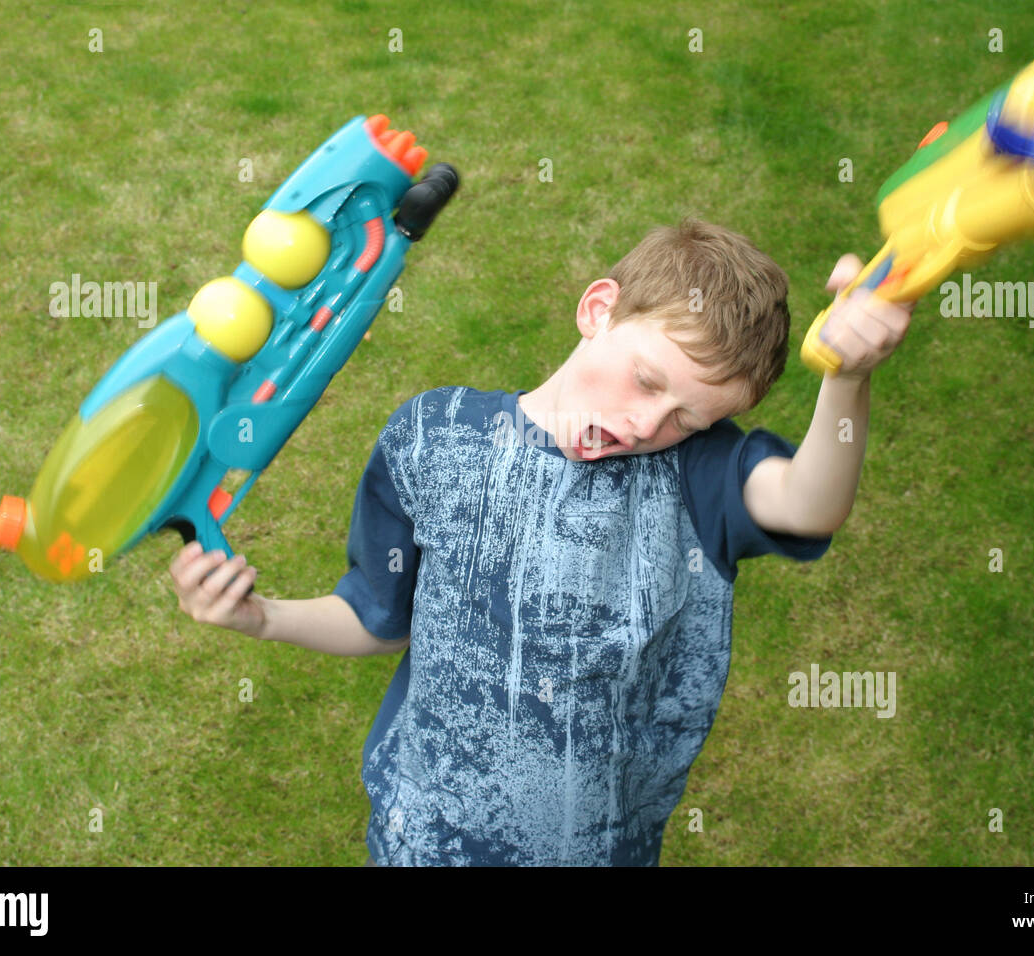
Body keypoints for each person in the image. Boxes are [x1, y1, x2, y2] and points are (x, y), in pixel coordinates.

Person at [169, 218, 913, 865]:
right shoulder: (434, 439)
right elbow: (374, 618)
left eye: (689, 416)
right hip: (416, 841)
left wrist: (847, 381)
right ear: (598, 310)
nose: (649, 427)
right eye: (649, 381)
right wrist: (259, 616)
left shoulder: (699, 475)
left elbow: (810, 504)